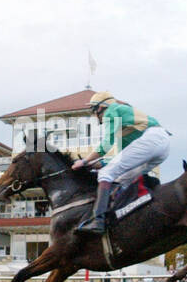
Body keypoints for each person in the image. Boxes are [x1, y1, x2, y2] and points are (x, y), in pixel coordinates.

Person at [73, 91, 172, 234]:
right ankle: (126, 216)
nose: (94, 115)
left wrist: (84, 161)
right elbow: (120, 159)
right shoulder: (124, 124)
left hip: (153, 139)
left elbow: (106, 145)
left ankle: (98, 220)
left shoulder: (111, 111)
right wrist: (93, 164)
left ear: (100, 107)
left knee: (106, 174)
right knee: (121, 179)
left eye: (94, 110)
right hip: (162, 146)